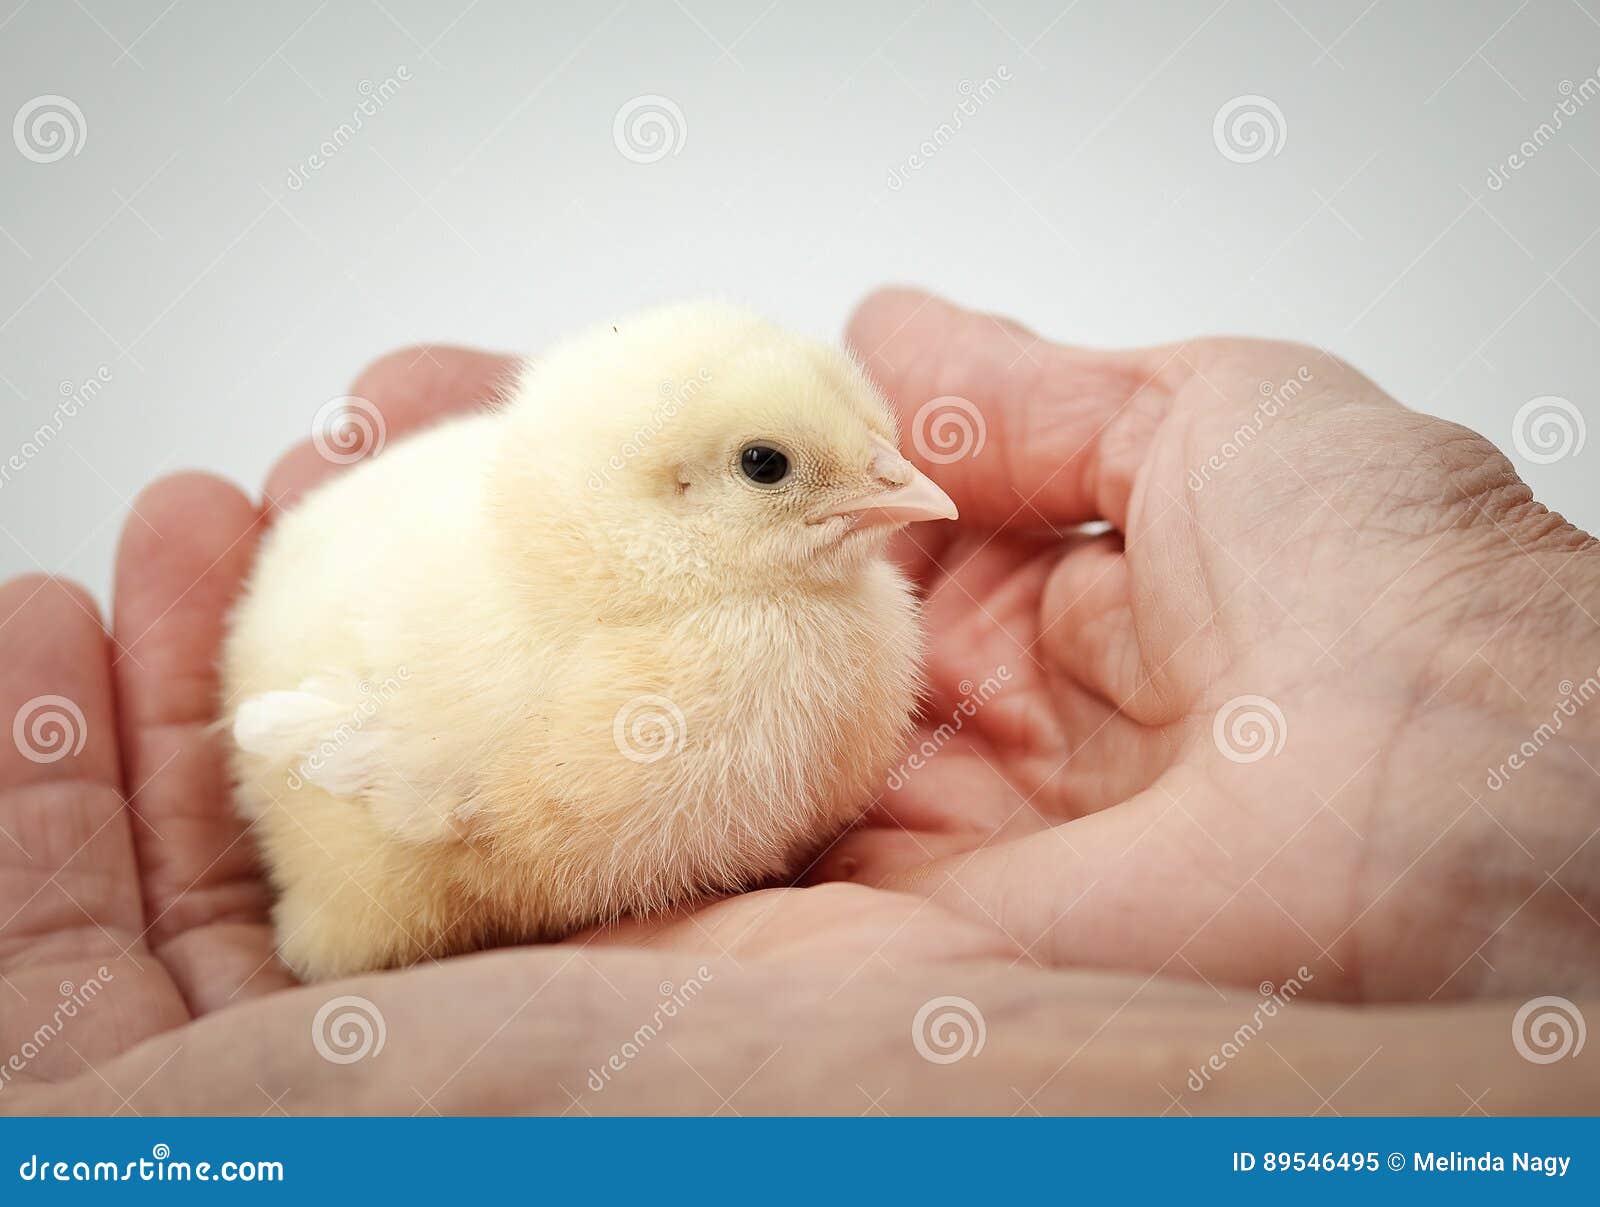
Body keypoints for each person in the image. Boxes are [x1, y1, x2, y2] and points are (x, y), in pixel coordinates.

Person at [1, 289, 1594, 1113]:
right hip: (365, 722)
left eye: (855, 438)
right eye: (779, 469)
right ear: (660, 492)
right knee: (377, 909)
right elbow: (323, 762)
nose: (899, 490)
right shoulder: (500, 661)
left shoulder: (820, 615)